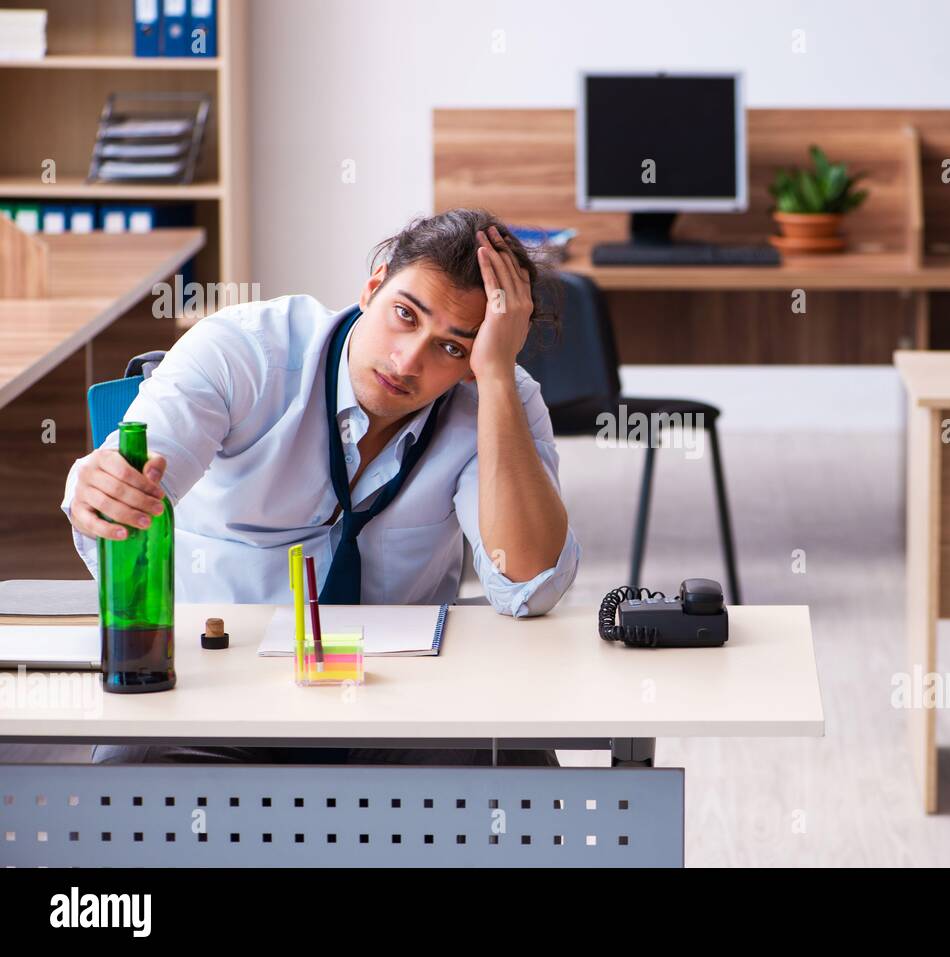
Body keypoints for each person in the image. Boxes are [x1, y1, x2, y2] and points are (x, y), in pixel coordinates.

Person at [60, 209, 581, 766]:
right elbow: (121, 501)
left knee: (519, 769)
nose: (407, 362)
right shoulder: (243, 352)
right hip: (214, 697)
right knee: (131, 785)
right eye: (405, 315)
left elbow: (528, 586)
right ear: (374, 285)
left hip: (403, 705)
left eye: (453, 348)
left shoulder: (498, 395)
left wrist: (498, 377)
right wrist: (101, 490)